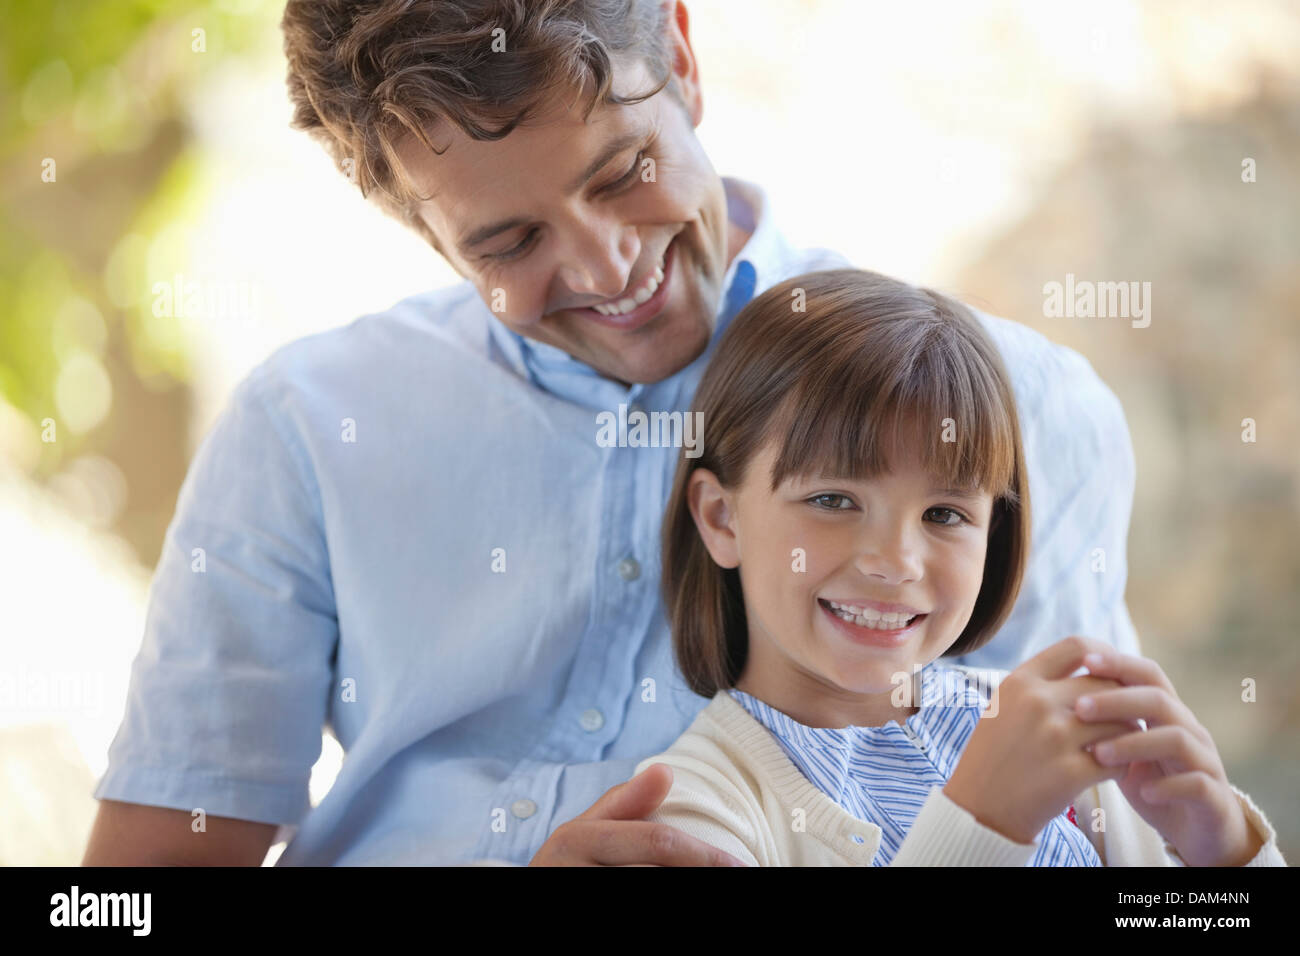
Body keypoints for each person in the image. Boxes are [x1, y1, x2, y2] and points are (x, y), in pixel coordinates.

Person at [83, 1, 1140, 866]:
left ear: (678, 53)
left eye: (622, 172)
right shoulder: (307, 426)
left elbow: (1089, 841)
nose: (604, 269)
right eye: (507, 238)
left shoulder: (1012, 412)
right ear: (419, 225)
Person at [632, 268, 1285, 866]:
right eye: (832, 500)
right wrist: (983, 821)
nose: (894, 561)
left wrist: (1222, 850)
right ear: (721, 519)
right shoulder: (693, 812)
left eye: (945, 514)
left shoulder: (1051, 726)